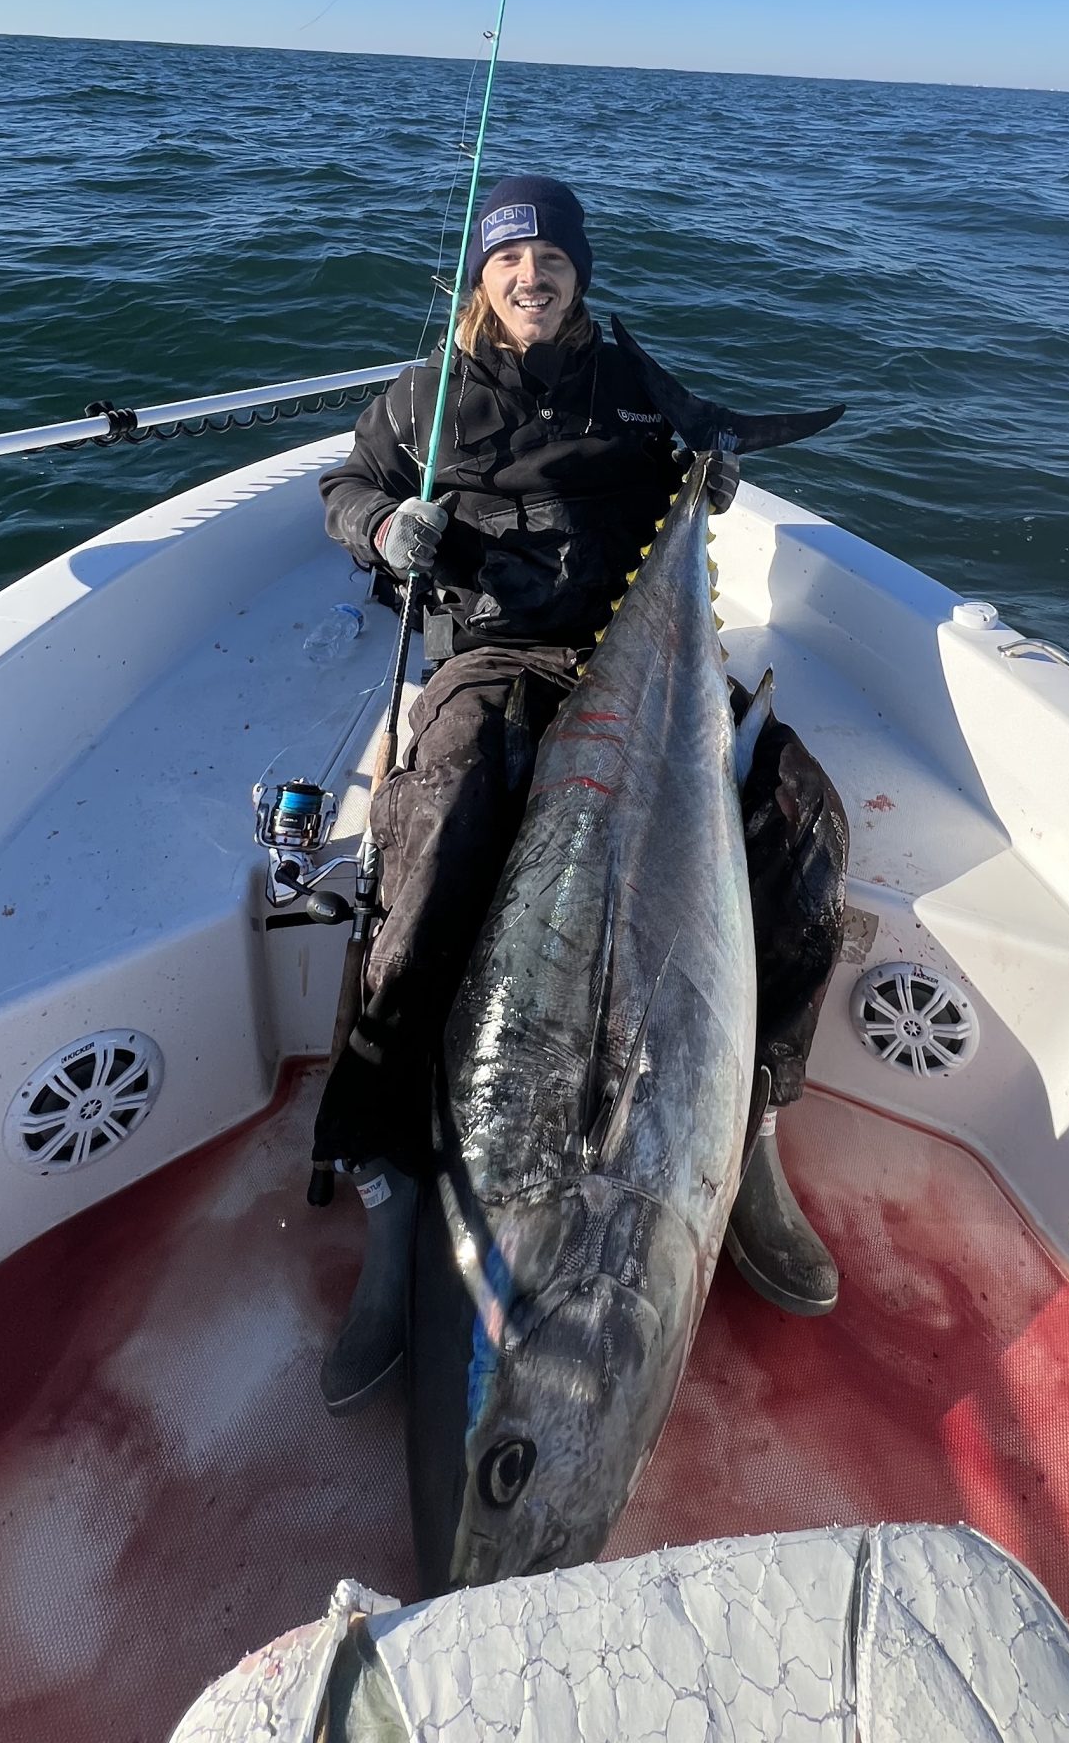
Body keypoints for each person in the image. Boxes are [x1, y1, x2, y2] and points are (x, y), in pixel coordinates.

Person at [312, 174, 849, 1414]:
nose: (531, 276)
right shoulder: (426, 395)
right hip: (496, 656)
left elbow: (705, 441)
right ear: (482, 276)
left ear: (579, 272)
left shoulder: (629, 377)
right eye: (509, 259)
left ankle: (757, 1128)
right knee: (432, 835)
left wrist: (713, 472)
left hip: (640, 656)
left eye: (551, 258)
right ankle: (392, 1191)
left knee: (800, 824)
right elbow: (344, 486)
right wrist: (387, 530)